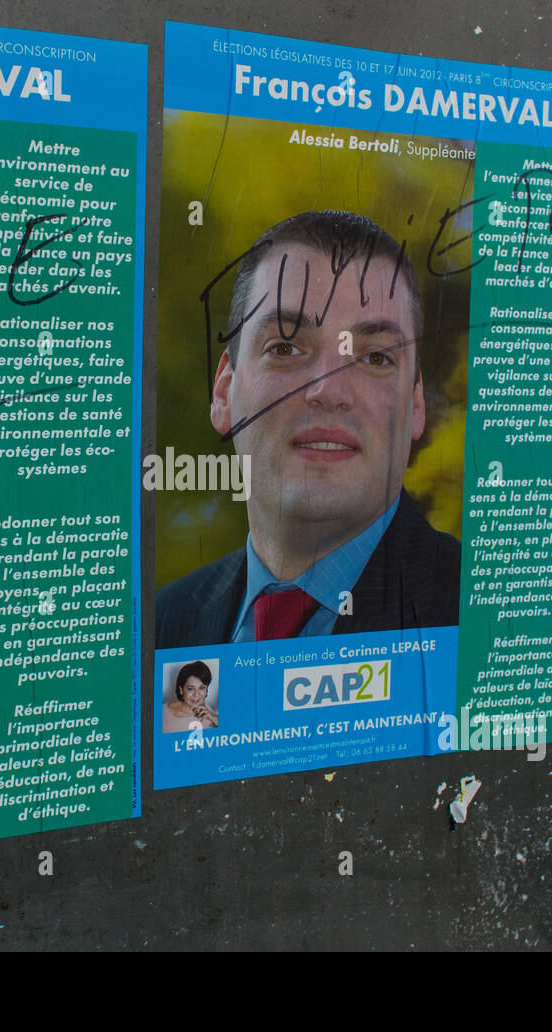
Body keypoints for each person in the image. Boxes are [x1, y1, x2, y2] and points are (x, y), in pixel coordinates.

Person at [156, 210, 459, 648]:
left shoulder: (489, 619)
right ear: (223, 393)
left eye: (376, 357)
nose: (328, 389)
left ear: (415, 406)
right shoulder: (157, 629)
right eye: (285, 347)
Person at [161, 661, 219, 732]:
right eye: (190, 689)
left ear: (206, 690)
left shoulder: (212, 718)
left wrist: (213, 718)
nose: (196, 694)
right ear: (181, 690)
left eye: (201, 688)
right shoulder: (162, 712)